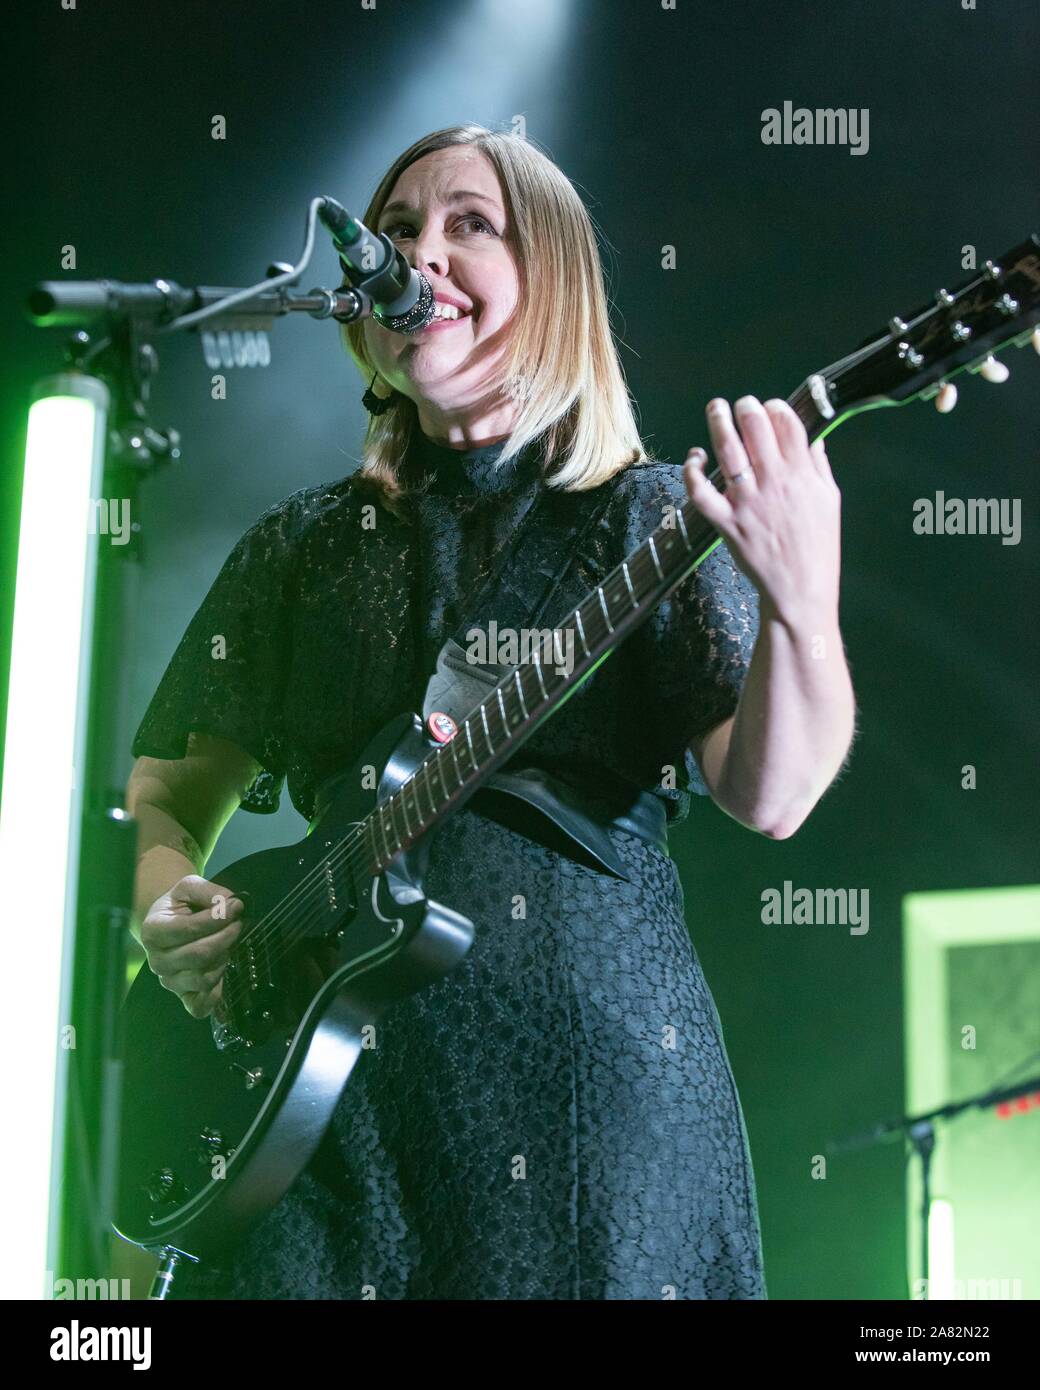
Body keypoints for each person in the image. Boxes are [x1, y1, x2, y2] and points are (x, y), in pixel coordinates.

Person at [126, 123, 856, 1300]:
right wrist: (166, 904)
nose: (421, 254)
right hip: (314, 1121)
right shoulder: (299, 550)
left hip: (580, 1101)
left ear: (553, 276)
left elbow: (769, 795)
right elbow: (165, 788)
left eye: (471, 225)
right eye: (399, 229)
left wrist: (802, 608)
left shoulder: (652, 522)